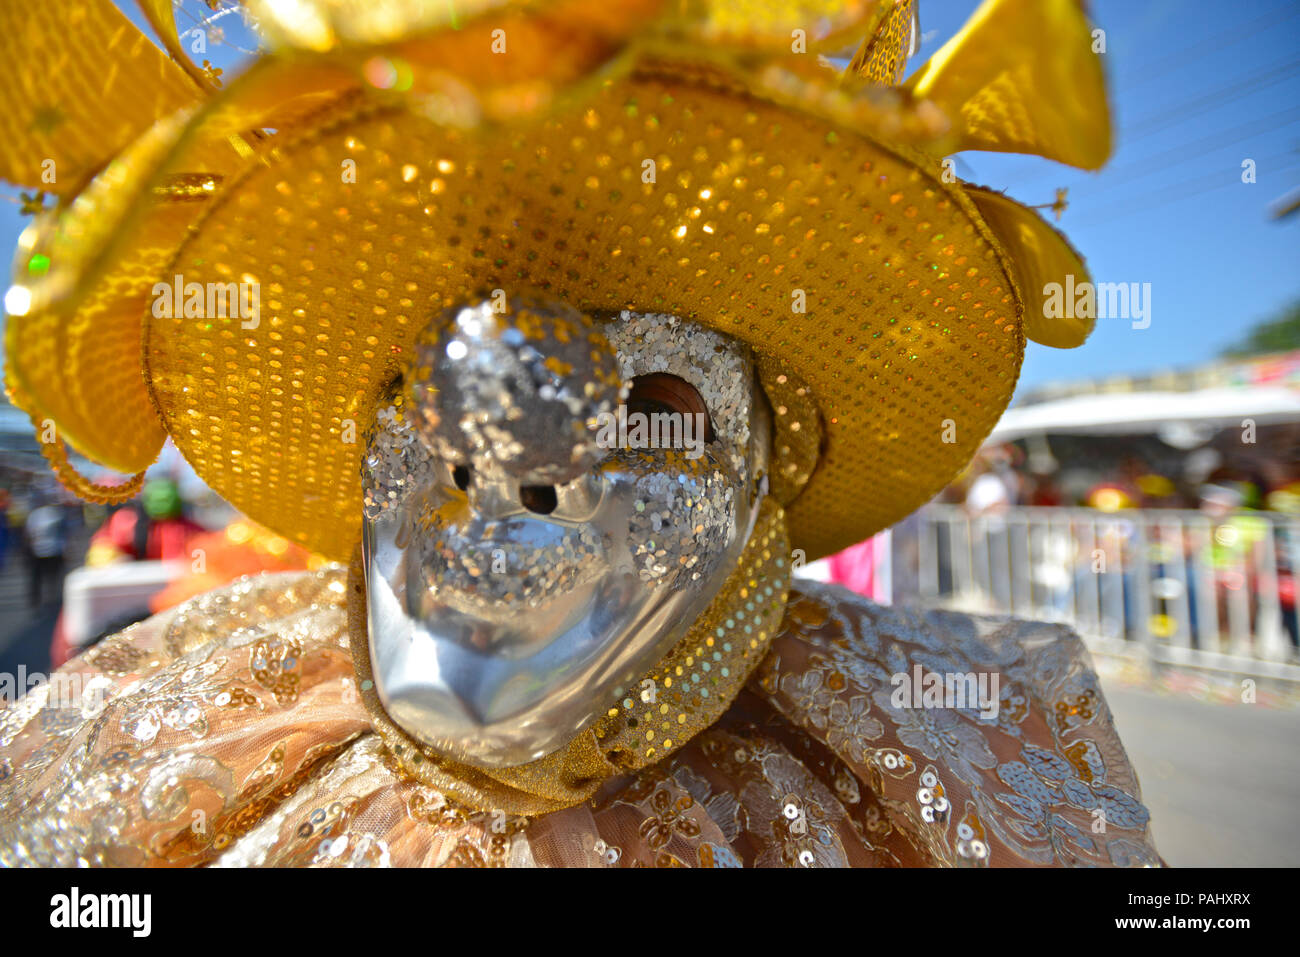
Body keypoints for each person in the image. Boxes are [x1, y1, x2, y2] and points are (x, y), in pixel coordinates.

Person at [0, 0, 1160, 867]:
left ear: (768, 461)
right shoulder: (174, 733)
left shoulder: (949, 740)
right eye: (442, 397)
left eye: (651, 406)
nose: (520, 467)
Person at [21, 496, 66, 608]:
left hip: (39, 550)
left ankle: (36, 599)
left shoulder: (34, 515)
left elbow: (28, 534)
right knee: (53, 576)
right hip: (55, 550)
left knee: (37, 577)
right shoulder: (57, 514)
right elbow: (64, 534)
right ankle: (52, 597)